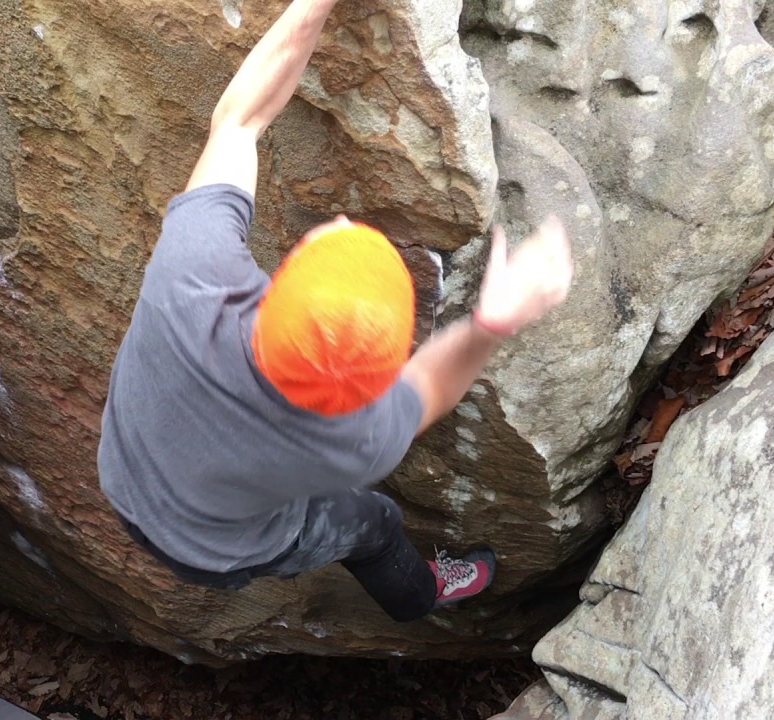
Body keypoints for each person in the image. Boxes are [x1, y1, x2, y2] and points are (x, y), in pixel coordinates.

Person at [97, 0, 573, 622]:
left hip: (124, 478)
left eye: (329, 239)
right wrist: (492, 324)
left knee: (359, 515)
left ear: (283, 276)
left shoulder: (191, 275)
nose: (344, 222)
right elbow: (432, 383)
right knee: (374, 521)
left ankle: (417, 595)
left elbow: (239, 120)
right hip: (224, 550)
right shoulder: (363, 440)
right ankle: (419, 595)